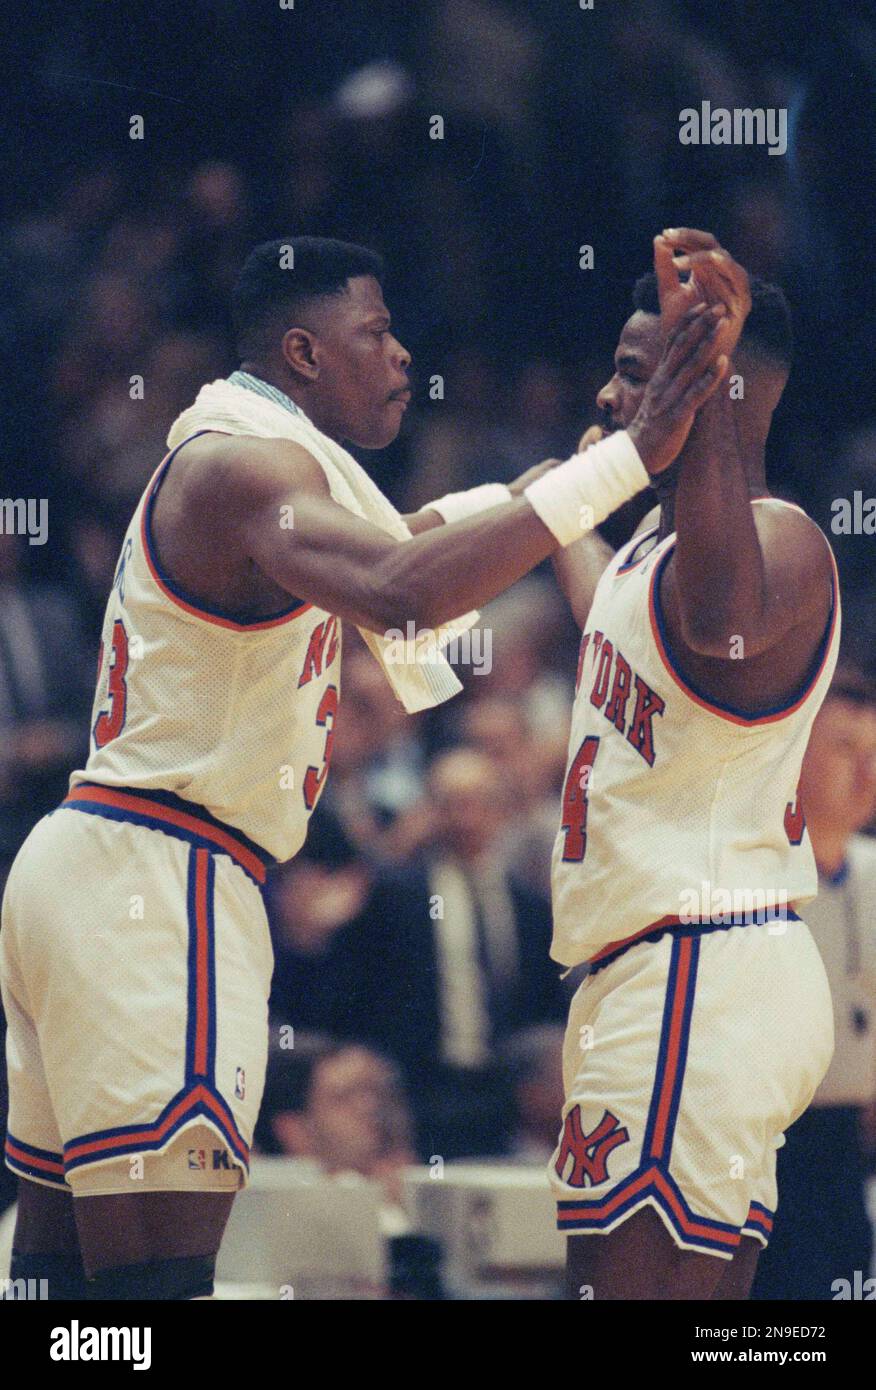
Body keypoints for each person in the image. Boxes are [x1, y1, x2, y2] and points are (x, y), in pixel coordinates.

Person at [0, 233, 728, 1300]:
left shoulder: (241, 459)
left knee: (58, 1281)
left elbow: (415, 542)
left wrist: (566, 476)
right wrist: (633, 457)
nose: (401, 356)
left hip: (95, 874)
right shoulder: (248, 467)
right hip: (159, 884)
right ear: (303, 352)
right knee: (153, 1291)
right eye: (376, 333)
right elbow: (401, 589)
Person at [547, 228, 840, 1300]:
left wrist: (699, 384)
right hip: (668, 973)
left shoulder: (784, 541)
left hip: (698, 966)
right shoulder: (648, 553)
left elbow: (720, 625)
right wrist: (553, 506)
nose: (608, 395)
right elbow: (611, 606)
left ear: (719, 385)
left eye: (637, 372)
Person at [752, 665, 876, 1299]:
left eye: (875, 751)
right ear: (793, 754)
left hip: (847, 1151)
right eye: (846, 749)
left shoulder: (873, 871)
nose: (867, 771)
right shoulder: (747, 878)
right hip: (758, 1152)